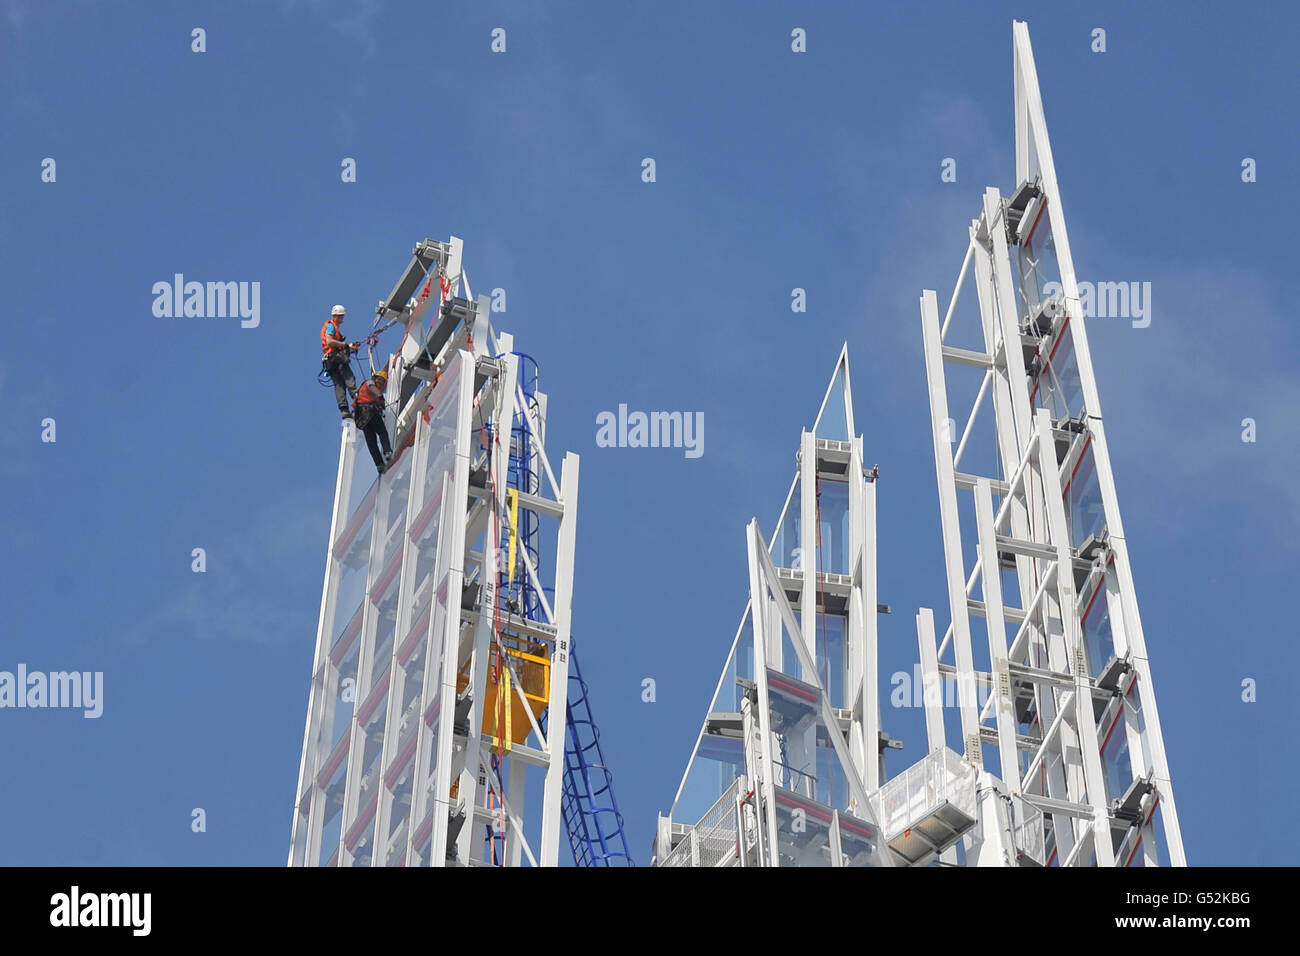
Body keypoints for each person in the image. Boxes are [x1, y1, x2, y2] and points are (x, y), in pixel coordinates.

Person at [321, 304, 359, 418]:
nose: (341, 319)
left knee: (339, 385)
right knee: (348, 377)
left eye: (342, 316)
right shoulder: (331, 326)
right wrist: (345, 344)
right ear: (334, 316)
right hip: (335, 358)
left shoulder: (334, 328)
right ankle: (356, 398)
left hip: (330, 361)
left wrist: (349, 347)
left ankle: (344, 410)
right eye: (339, 316)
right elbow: (330, 342)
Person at [354, 368, 393, 474]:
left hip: (361, 417)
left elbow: (355, 404)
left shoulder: (360, 392)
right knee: (382, 432)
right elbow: (372, 388)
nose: (381, 382)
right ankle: (387, 451)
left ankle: (379, 464)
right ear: (375, 378)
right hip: (369, 410)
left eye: (383, 381)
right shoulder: (369, 382)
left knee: (371, 442)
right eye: (380, 380)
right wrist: (380, 398)